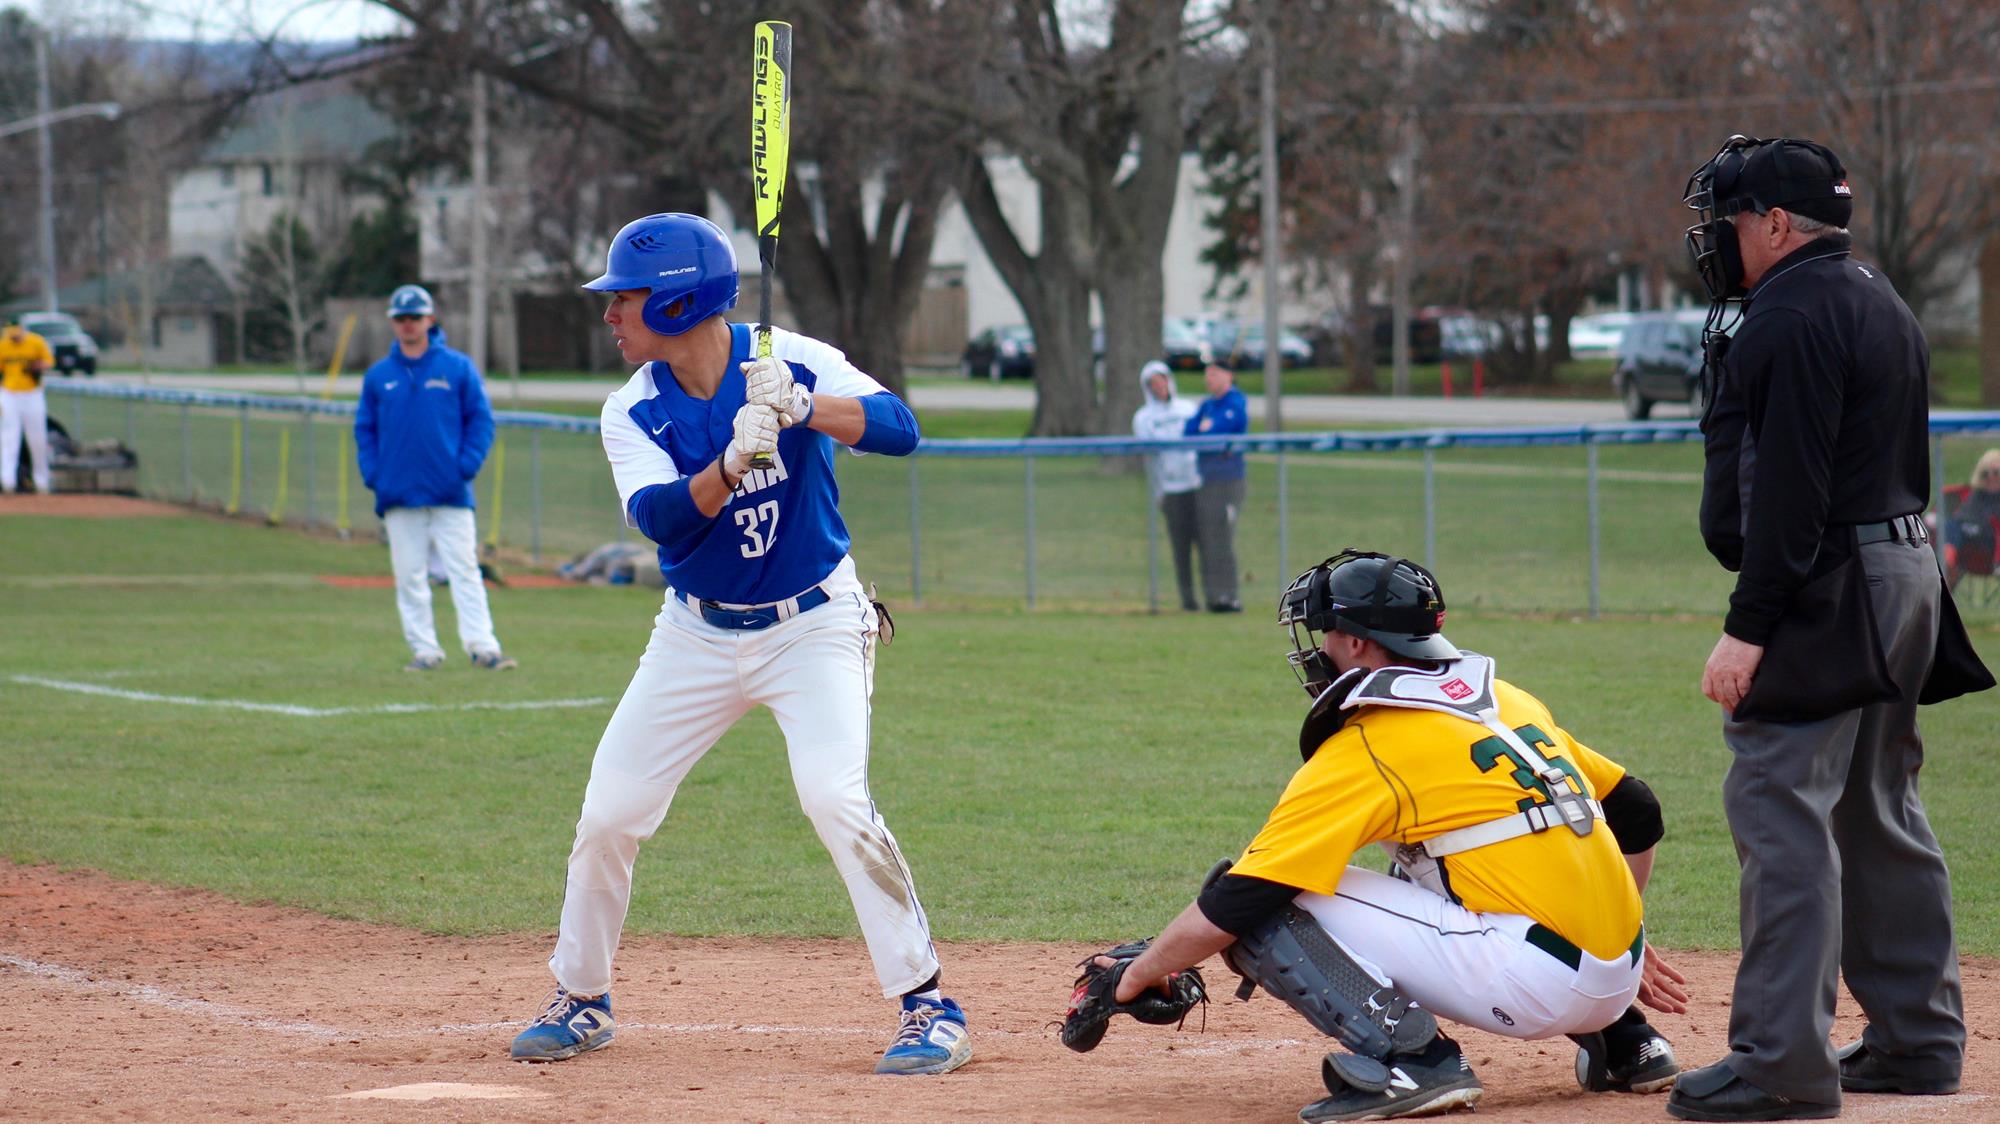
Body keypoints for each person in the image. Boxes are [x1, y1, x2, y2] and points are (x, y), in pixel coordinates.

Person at [508, 212, 970, 1077]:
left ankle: (928, 1006)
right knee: (609, 810)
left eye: (628, 299)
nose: (611, 315)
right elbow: (664, 528)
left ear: (681, 303)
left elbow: (900, 427)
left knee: (834, 797)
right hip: (696, 630)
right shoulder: (632, 408)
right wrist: (728, 465)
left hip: (817, 622)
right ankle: (582, 998)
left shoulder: (785, 358)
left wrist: (803, 408)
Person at [1101, 549, 1688, 1123]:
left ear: (1356, 643)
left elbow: (1244, 896)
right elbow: (1635, 810)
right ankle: (1629, 1043)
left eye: (1323, 630)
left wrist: (1136, 975)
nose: (1316, 647)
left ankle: (1417, 1063)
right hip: (1619, 973)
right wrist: (1615, 922)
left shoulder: (1370, 744)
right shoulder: (1508, 702)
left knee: (1269, 904)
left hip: (1533, 982)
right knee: (1417, 854)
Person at [1675, 135, 1992, 1121]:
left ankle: (1779, 1061)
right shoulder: (1874, 295)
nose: (1713, 240)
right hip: (1903, 571)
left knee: (1780, 807)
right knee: (1876, 808)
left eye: (1725, 221)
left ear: (1773, 223)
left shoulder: (1789, 312)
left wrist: (1746, 625)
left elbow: (1785, 496)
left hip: (1826, 581)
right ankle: (1914, 1040)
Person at [353, 283, 516, 673]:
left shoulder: (456, 368)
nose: (408, 325)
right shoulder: (379, 376)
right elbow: (365, 429)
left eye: (415, 317)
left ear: (430, 319)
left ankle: (483, 647)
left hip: (449, 491)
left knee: (464, 570)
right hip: (398, 493)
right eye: (401, 318)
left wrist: (465, 466)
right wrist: (374, 474)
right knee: (409, 574)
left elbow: (480, 420)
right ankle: (425, 651)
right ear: (393, 323)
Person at [1132, 359, 1200, 611]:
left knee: (1206, 543)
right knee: (1180, 547)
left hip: (1197, 485)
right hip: (1172, 490)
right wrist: (1158, 490)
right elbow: (1150, 459)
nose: (1160, 387)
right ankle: (1188, 598)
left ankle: (1214, 595)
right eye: (1153, 383)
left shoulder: (1187, 408)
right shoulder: (1144, 418)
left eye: (1162, 380)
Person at [1184, 362, 1248, 612]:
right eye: (1207, 374)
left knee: (1223, 537)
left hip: (1229, 482)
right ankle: (1213, 596)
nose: (1209, 379)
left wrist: (1206, 431)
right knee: (1208, 538)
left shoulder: (1236, 403)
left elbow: (1221, 431)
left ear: (1228, 375)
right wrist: (1203, 430)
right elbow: (1189, 432)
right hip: (1207, 481)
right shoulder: (1207, 405)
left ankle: (1229, 596)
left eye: (1214, 374)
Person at [0, 318, 56, 495]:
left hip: (32, 394)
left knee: (37, 438)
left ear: (22, 329)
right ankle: (7, 481)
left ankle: (42, 482)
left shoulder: (36, 342)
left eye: (17, 333)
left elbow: (49, 362)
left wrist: (39, 366)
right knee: (9, 438)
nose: (14, 337)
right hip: (9, 394)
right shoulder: (3, 344)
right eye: (11, 334)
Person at [1939, 449, 2000, 590]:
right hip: (1969, 550)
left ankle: (1947, 560)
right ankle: (1946, 561)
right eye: (1986, 474)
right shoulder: (1976, 495)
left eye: (1996, 473)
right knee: (1952, 525)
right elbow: (1963, 516)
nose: (1991, 478)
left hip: (1990, 548)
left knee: (1958, 526)